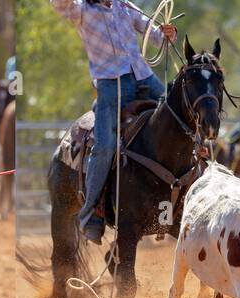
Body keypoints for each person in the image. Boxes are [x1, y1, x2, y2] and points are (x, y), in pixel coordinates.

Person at [49, 0, 177, 243]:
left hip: (143, 76)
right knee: (106, 146)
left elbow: (152, 30)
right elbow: (58, 4)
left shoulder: (124, 5)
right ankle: (90, 213)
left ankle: (191, 180)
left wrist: (166, 34)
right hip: (110, 83)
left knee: (177, 115)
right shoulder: (82, 10)